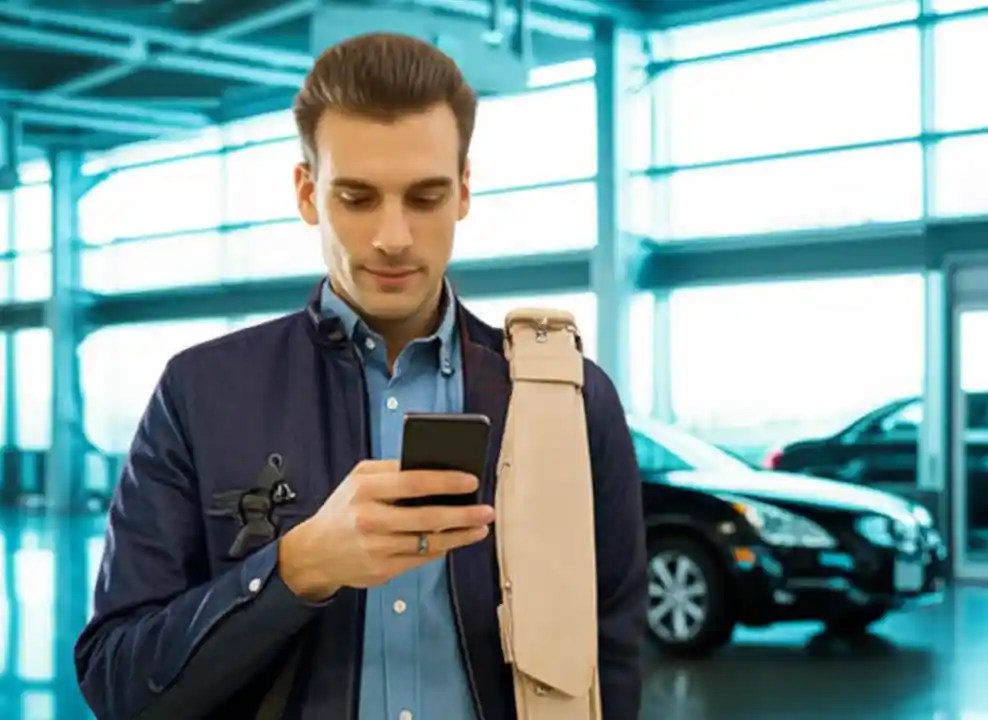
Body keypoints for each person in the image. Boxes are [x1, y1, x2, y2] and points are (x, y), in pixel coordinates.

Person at [74, 32, 647, 720]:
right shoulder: (200, 394)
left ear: (464, 192)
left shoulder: (569, 399)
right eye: (357, 197)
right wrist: (295, 570)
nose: (394, 236)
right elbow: (118, 680)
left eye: (425, 197)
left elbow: (610, 653)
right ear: (307, 193)